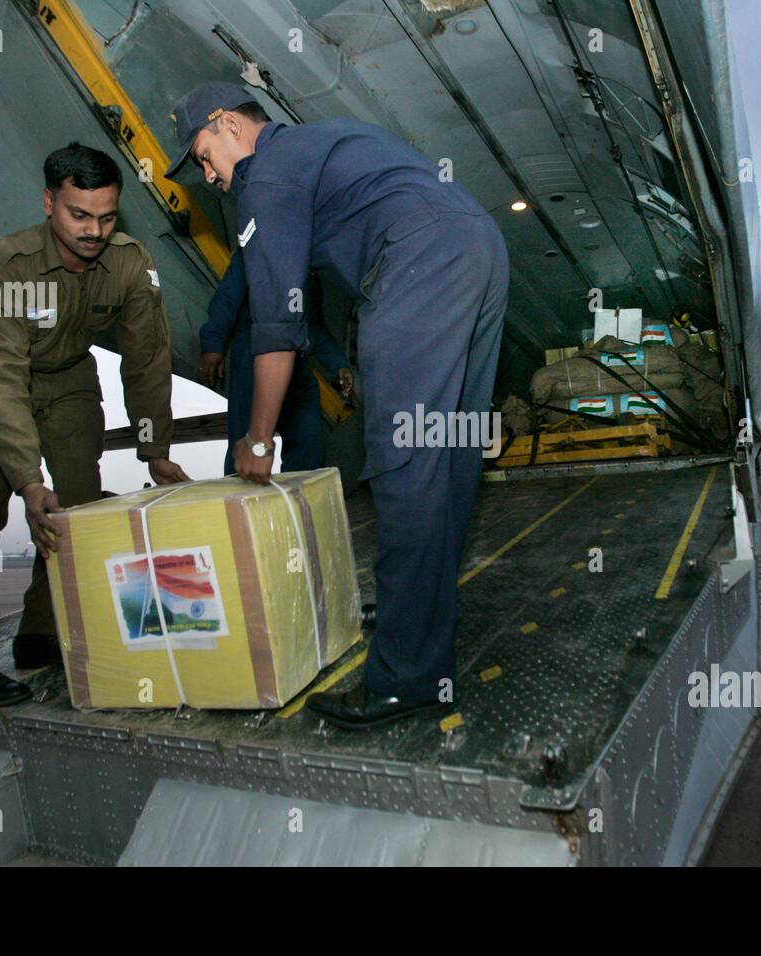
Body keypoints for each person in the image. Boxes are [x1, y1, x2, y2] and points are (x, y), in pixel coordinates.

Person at [166, 82, 509, 729]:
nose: (208, 177)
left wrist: (258, 439)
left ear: (228, 124)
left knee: (405, 469)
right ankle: (415, 629)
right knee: (449, 459)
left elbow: (276, 327)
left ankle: (405, 676)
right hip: (478, 247)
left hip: (417, 264)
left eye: (203, 157)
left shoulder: (265, 178)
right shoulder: (317, 143)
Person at [0, 143, 189, 707]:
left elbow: (147, 358)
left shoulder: (130, 263)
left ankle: (41, 634)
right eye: (79, 215)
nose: (94, 231)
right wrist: (27, 479)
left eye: (107, 217)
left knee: (77, 504)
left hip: (67, 373)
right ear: (49, 203)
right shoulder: (5, 266)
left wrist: (155, 448)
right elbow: (0, 379)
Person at [196, 254, 353, 474]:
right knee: (245, 445)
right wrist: (213, 346)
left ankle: (299, 494)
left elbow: (315, 328)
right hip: (253, 363)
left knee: (309, 445)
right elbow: (227, 299)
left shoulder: (310, 272)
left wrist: (338, 363)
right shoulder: (254, 251)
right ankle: (241, 494)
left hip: (298, 369)